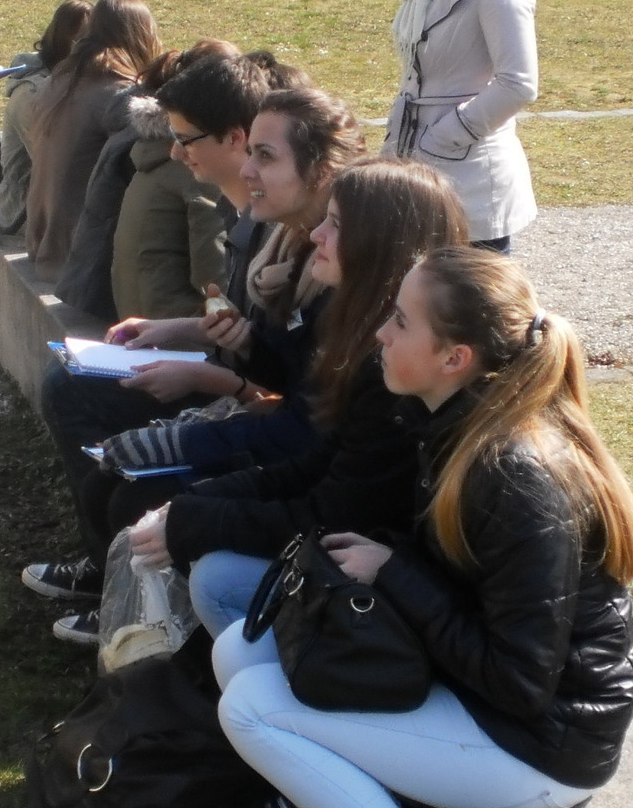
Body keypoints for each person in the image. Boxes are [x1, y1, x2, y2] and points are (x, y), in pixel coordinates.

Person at [214, 246, 633, 808]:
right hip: (487, 700)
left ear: (455, 358)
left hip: (543, 744)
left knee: (252, 707)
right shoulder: (454, 422)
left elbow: (520, 682)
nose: (381, 333)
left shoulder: (516, 474)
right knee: (240, 652)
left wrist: (396, 573)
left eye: (401, 321)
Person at [41, 86, 365, 645]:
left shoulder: (340, 275)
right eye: (252, 152)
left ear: (321, 171)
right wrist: (234, 342)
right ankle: (129, 610)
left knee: (135, 494)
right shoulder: (288, 241)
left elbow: (308, 428)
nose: (248, 168)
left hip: (305, 469)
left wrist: (192, 431)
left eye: (264, 155)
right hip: (278, 432)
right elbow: (292, 378)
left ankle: (158, 635)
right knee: (93, 434)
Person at [124, 157, 469, 639]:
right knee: (161, 503)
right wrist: (193, 503)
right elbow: (320, 456)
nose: (316, 236)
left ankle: (263, 674)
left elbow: (335, 509)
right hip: (362, 538)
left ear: (380, 243)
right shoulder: (355, 321)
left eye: (336, 225)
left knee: (217, 578)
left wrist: (197, 513)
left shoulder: (397, 363)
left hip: (397, 574)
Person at [380, 0, 540, 250]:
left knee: (476, 290)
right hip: (421, 171)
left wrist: (444, 137)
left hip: (473, 180)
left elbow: (519, 84)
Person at [56, 41, 238, 322]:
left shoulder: (149, 148)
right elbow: (214, 279)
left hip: (138, 314)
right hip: (170, 328)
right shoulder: (196, 169)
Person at [22, 0, 162, 276]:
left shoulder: (60, 77)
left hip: (41, 240)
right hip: (77, 256)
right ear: (142, 34)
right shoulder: (118, 93)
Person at [0, 0, 92, 235]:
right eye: (81, 40)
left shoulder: (77, 81)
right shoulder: (32, 93)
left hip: (61, 205)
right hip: (24, 213)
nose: (92, 49)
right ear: (62, 40)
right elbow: (54, 164)